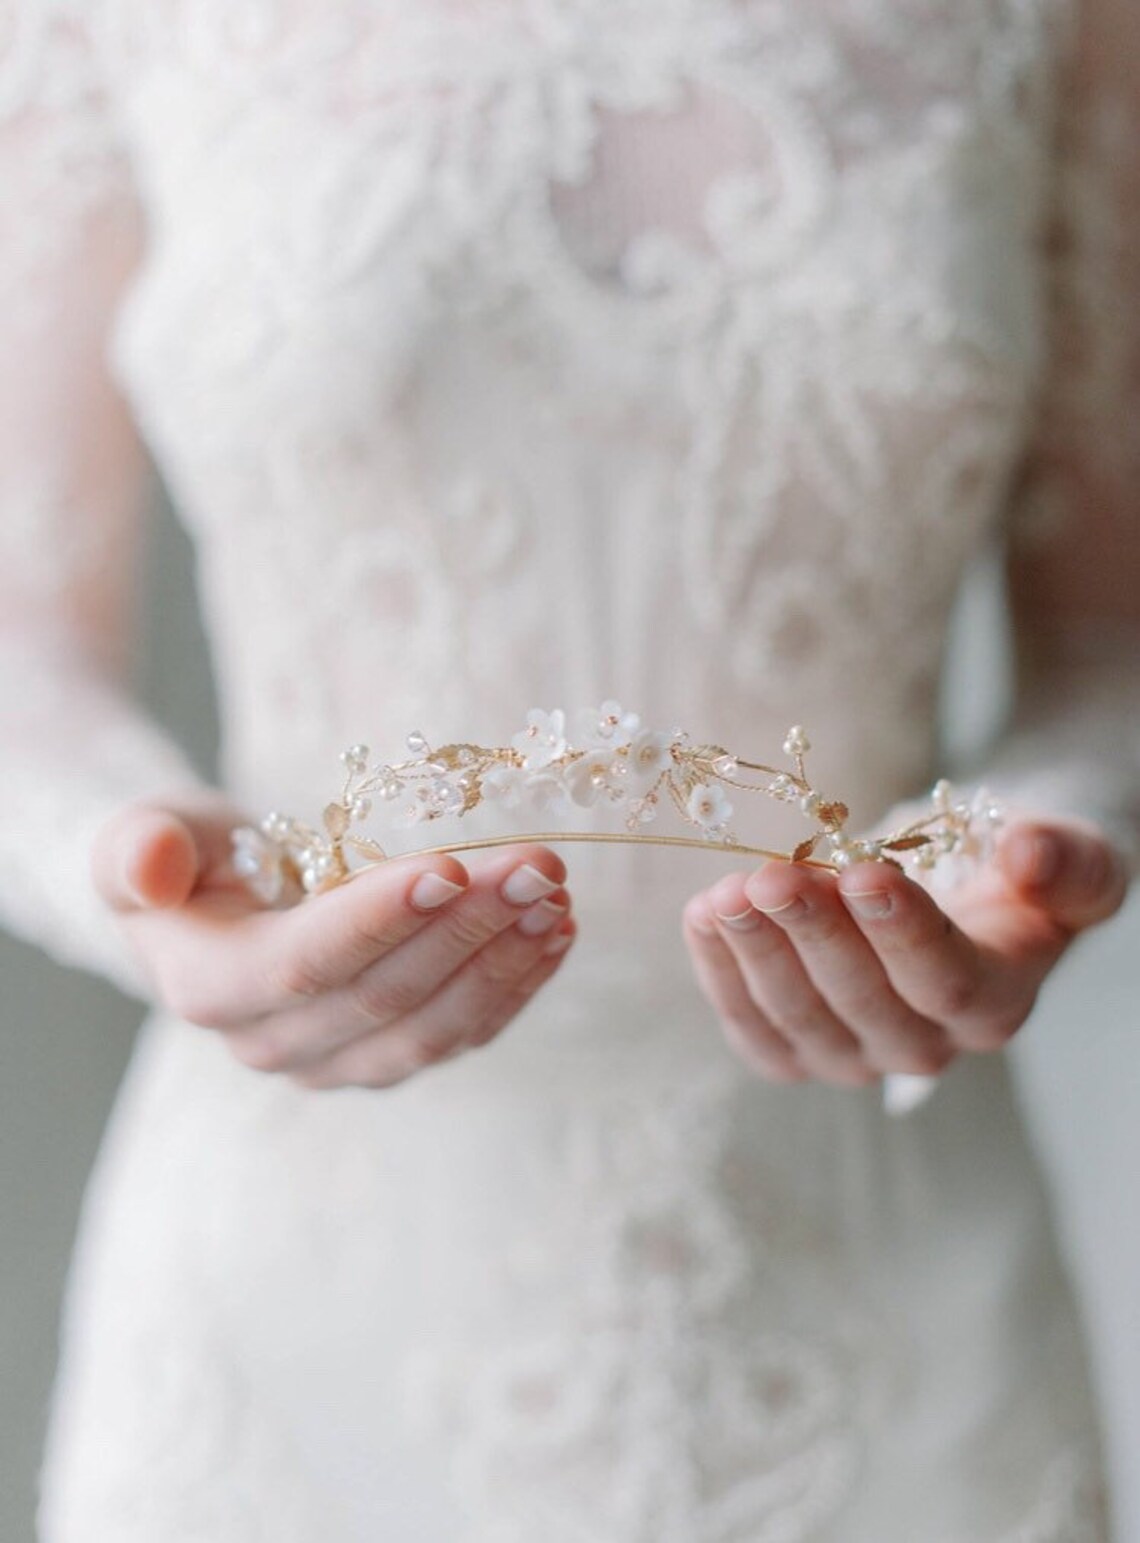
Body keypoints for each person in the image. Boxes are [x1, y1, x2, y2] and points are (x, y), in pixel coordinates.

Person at [1, 2, 1137, 1538]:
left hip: (889, 1280)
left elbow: (1110, 642)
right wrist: (134, 873)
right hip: (300, 1310)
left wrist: (1037, 846)